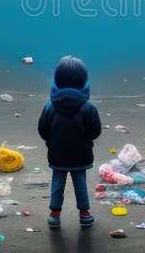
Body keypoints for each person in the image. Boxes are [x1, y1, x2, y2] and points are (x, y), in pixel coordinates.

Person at [38, 56, 102, 229]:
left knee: (57, 185)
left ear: (56, 81)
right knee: (80, 185)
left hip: (57, 155)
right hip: (81, 156)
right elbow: (95, 133)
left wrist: (52, 141)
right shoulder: (89, 108)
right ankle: (84, 214)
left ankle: (54, 215)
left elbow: (43, 131)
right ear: (84, 82)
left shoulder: (49, 107)